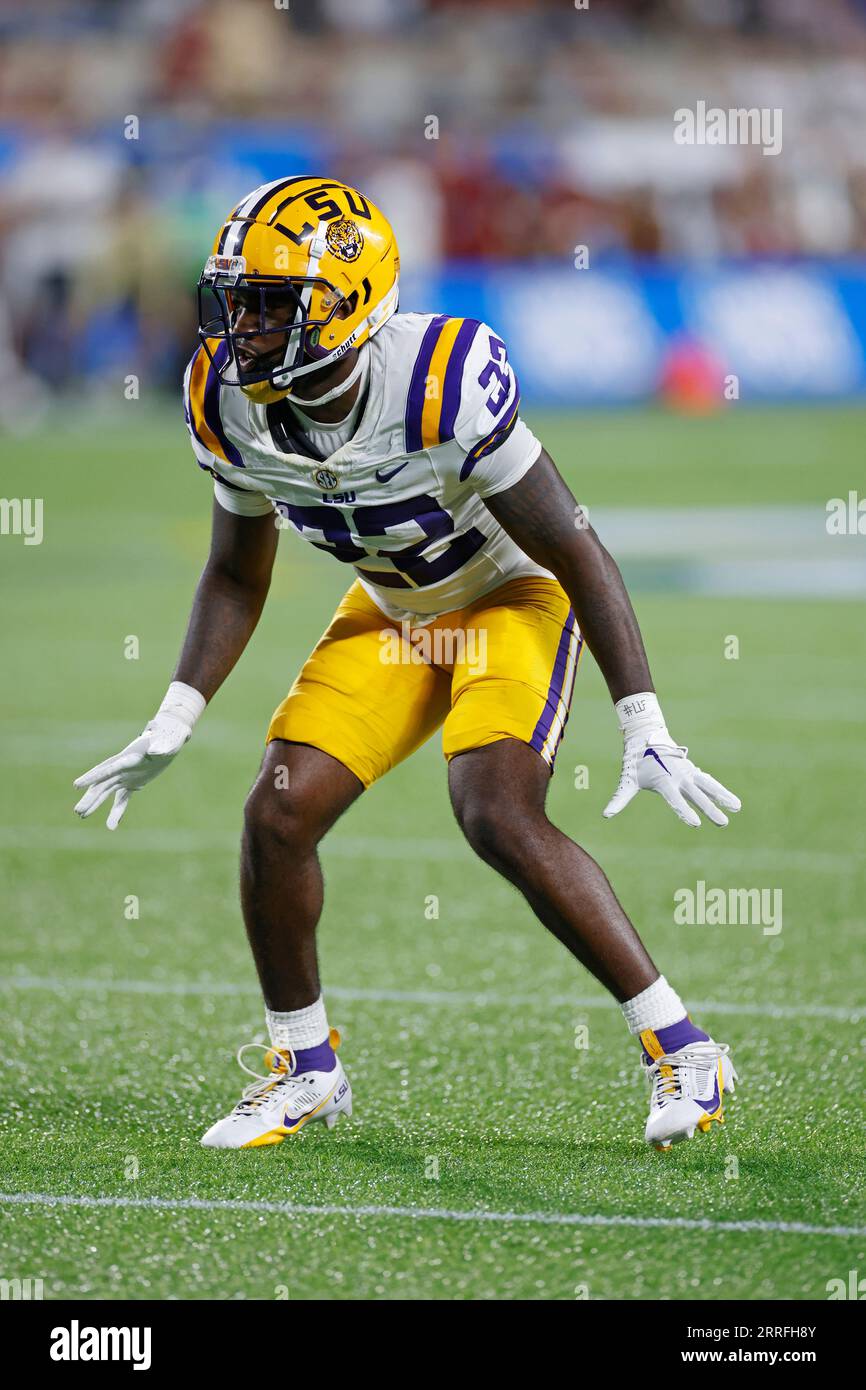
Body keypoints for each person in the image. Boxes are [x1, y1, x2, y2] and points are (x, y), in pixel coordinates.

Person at [74, 177, 741, 1151]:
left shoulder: (436, 374)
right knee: (277, 809)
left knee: (494, 808)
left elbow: (575, 547)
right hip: (391, 609)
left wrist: (641, 714)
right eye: (238, 299)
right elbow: (232, 573)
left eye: (271, 301)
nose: (243, 326)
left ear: (348, 297)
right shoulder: (226, 399)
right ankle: (305, 1067)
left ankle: (681, 1046)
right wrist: (173, 716)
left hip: (507, 593)